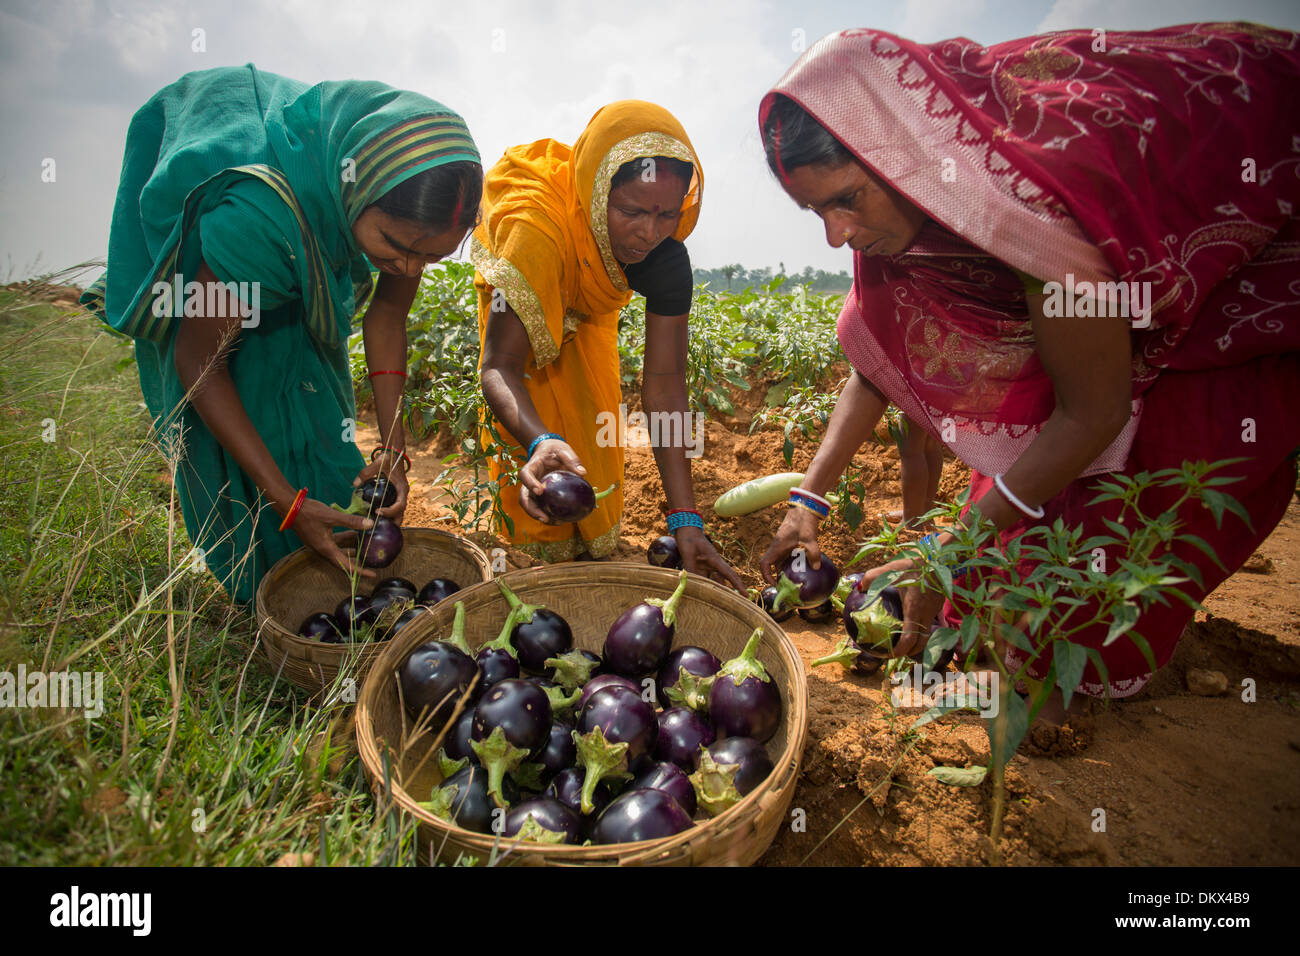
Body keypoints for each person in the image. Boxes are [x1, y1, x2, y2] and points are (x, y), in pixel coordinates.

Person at [757, 23, 1300, 719]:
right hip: (1090, 376)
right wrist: (810, 500)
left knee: (1085, 593)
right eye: (814, 211)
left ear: (899, 152)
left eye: (845, 199)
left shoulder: (1035, 210)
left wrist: (954, 542)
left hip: (1207, 342)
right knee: (989, 574)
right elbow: (874, 371)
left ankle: (1054, 692)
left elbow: (1093, 412)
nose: (835, 235)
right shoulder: (898, 216)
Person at [81, 64, 482, 604]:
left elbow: (387, 317)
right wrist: (284, 500)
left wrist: (392, 447)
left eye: (430, 257)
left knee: (316, 408)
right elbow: (199, 362)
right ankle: (257, 584)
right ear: (355, 188)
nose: (410, 269)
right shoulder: (260, 219)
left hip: (284, 249)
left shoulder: (402, 212)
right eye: (397, 246)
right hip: (221, 294)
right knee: (246, 429)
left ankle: (314, 556)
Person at [474, 100, 744, 590]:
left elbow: (664, 386)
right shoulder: (538, 233)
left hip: (588, 313)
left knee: (592, 435)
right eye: (631, 211)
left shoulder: (663, 259)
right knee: (535, 462)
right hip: (527, 288)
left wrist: (685, 518)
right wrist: (539, 440)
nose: (649, 232)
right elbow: (499, 365)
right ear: (596, 195)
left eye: (668, 213)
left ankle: (588, 540)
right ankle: (525, 561)